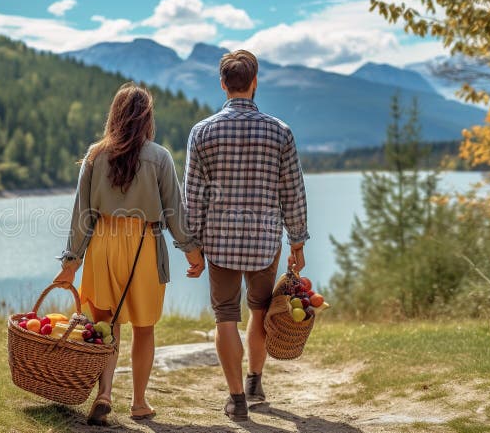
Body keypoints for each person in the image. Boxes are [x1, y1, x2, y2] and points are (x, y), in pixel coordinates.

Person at [55, 82, 205, 426]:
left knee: (106, 324)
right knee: (144, 327)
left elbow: (82, 214)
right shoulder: (160, 157)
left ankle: (104, 393)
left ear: (115, 116)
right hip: (144, 245)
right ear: (147, 119)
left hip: (104, 243)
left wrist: (70, 264)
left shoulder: (94, 155)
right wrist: (192, 253)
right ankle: (138, 402)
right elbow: (174, 213)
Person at [183, 50, 309, 422]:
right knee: (258, 311)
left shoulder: (202, 132)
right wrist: (297, 241)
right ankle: (255, 381)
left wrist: (193, 247)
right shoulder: (280, 131)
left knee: (225, 316)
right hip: (265, 241)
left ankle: (236, 398)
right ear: (254, 83)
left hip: (219, 241)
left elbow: (193, 195)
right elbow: (293, 191)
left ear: (223, 84)